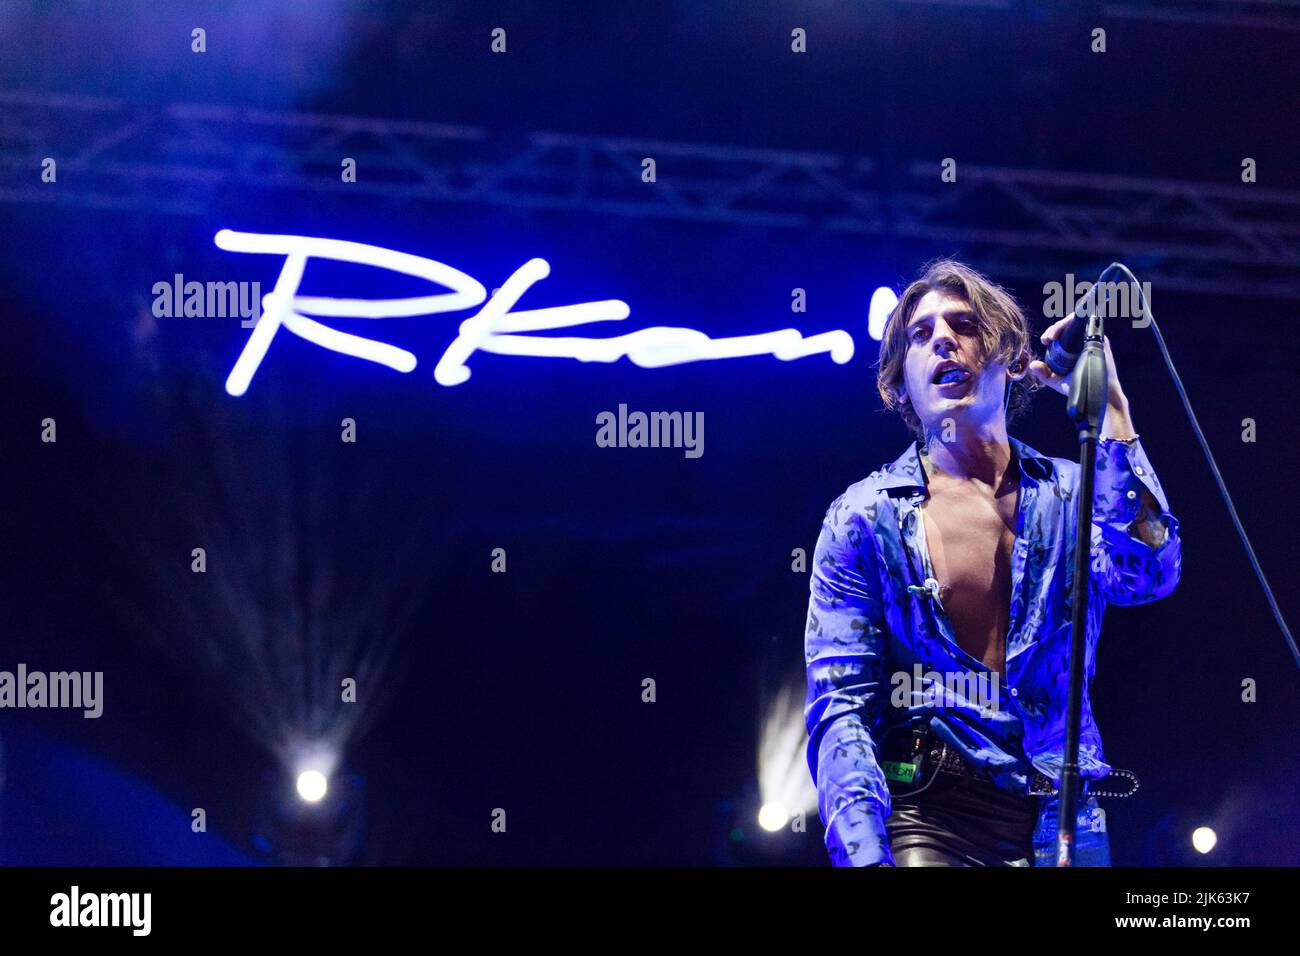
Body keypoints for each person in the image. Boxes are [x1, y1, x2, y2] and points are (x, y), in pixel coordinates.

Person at [803, 260, 1181, 866]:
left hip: (1065, 813)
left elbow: (1149, 577)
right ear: (901, 382)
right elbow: (841, 704)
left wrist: (1112, 410)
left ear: (1011, 358)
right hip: (930, 811)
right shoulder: (862, 517)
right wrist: (866, 857)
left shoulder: (1073, 494)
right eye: (920, 336)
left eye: (964, 325)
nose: (943, 340)